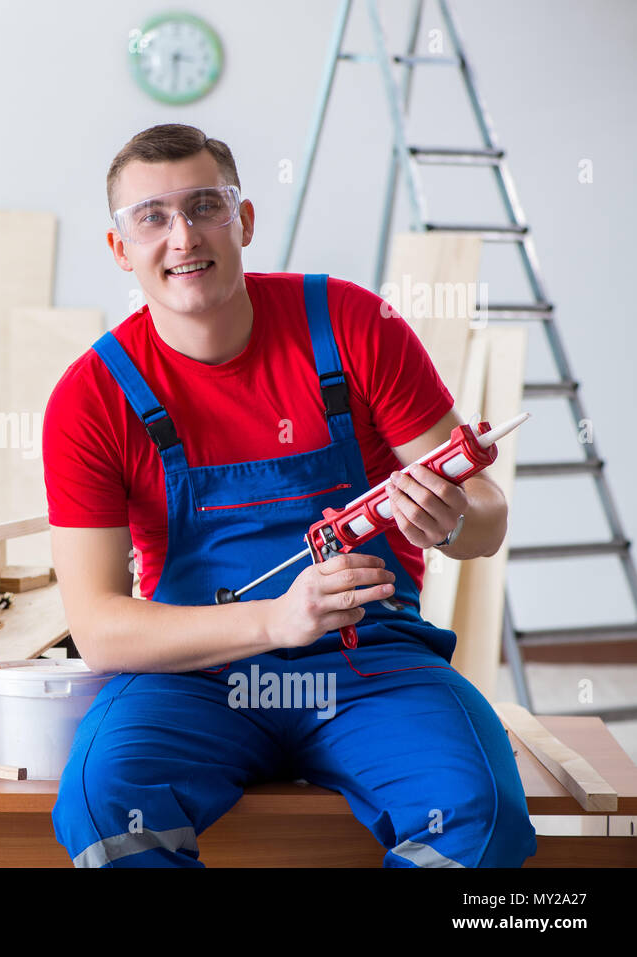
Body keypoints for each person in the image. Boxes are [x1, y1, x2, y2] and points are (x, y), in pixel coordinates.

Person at [44, 123, 537, 868]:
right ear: (120, 248)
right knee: (103, 800)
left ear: (243, 220)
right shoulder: (92, 397)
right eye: (152, 217)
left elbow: (488, 519)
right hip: (194, 675)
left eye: (205, 206)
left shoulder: (351, 325)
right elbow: (101, 630)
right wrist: (277, 619)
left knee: (481, 812)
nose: (183, 236)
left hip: (369, 662)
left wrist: (452, 519)